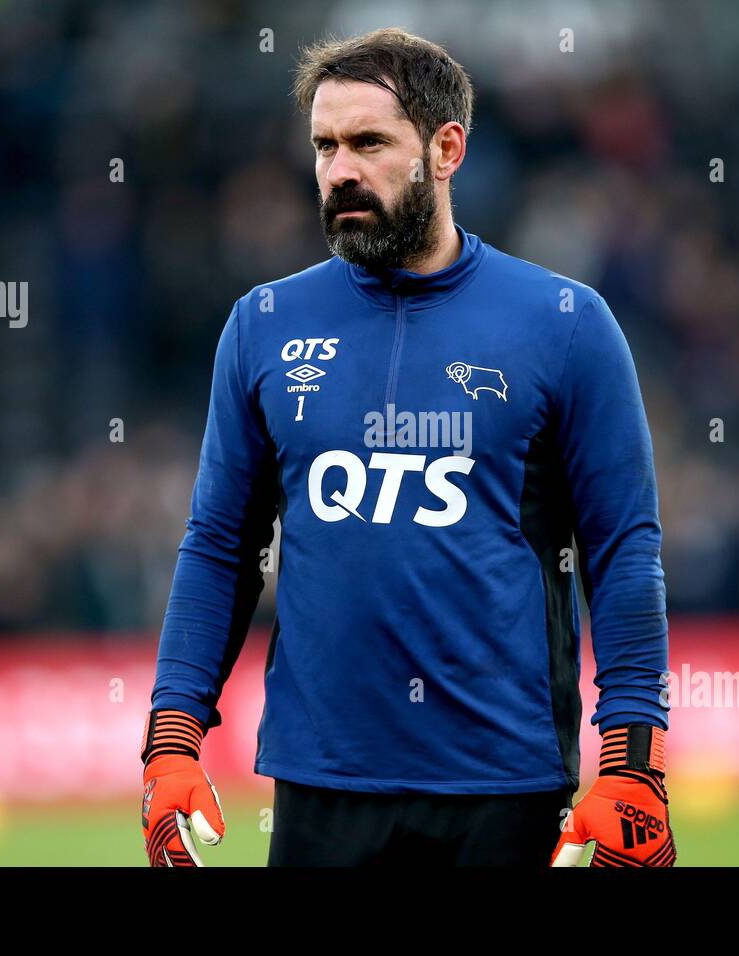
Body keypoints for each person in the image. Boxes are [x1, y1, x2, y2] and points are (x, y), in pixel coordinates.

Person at [141, 28, 673, 867]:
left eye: (369, 143)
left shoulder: (566, 324)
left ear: (446, 150)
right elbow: (218, 546)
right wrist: (171, 740)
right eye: (324, 146)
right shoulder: (263, 325)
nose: (339, 170)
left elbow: (622, 548)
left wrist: (635, 765)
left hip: (505, 785)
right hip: (319, 785)